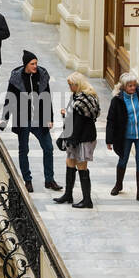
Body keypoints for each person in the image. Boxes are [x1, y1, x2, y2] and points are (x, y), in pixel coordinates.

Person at [0, 50, 61, 193]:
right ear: (26, 64)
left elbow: (47, 97)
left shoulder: (42, 76)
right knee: (23, 150)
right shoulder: (16, 78)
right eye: (32, 63)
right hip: (23, 118)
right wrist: (4, 119)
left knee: (48, 148)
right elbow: (9, 99)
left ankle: (49, 180)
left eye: (36, 63)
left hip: (39, 119)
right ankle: (28, 180)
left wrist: (50, 118)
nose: (35, 66)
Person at [105, 70, 139, 204]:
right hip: (124, 136)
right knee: (123, 160)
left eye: (134, 85)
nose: (133, 88)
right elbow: (111, 120)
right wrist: (109, 140)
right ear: (123, 87)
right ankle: (118, 184)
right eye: (130, 86)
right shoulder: (117, 100)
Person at [54, 72, 101, 208]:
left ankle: (87, 200)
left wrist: (69, 139)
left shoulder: (83, 101)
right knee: (70, 162)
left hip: (83, 138)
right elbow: (73, 119)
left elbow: (79, 123)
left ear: (77, 85)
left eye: (71, 85)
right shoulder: (76, 96)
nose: (69, 87)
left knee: (81, 166)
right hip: (75, 136)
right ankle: (68, 195)